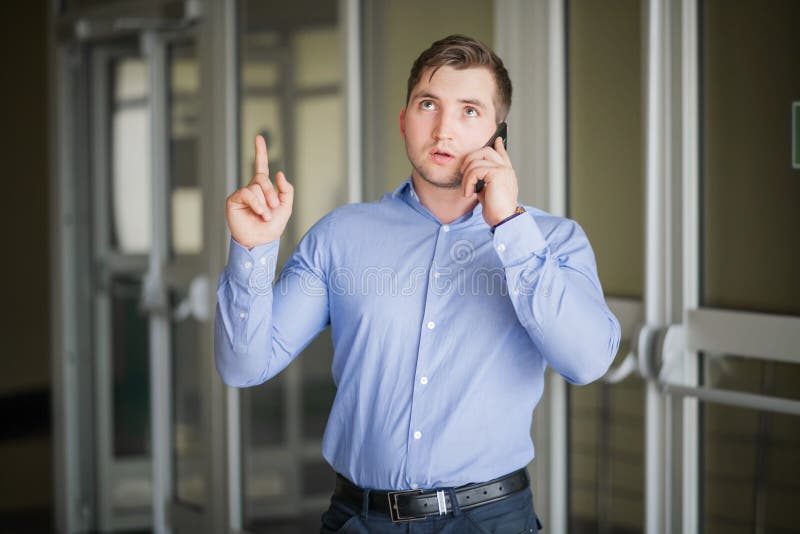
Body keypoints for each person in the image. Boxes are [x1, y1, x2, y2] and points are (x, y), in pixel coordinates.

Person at [215, 34, 620, 533]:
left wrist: (510, 227)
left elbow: (586, 362)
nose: (444, 129)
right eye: (429, 105)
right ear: (405, 119)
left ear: (498, 135)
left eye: (469, 110)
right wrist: (252, 251)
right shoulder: (339, 236)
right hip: (360, 520)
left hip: (490, 521)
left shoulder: (552, 241)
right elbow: (242, 366)